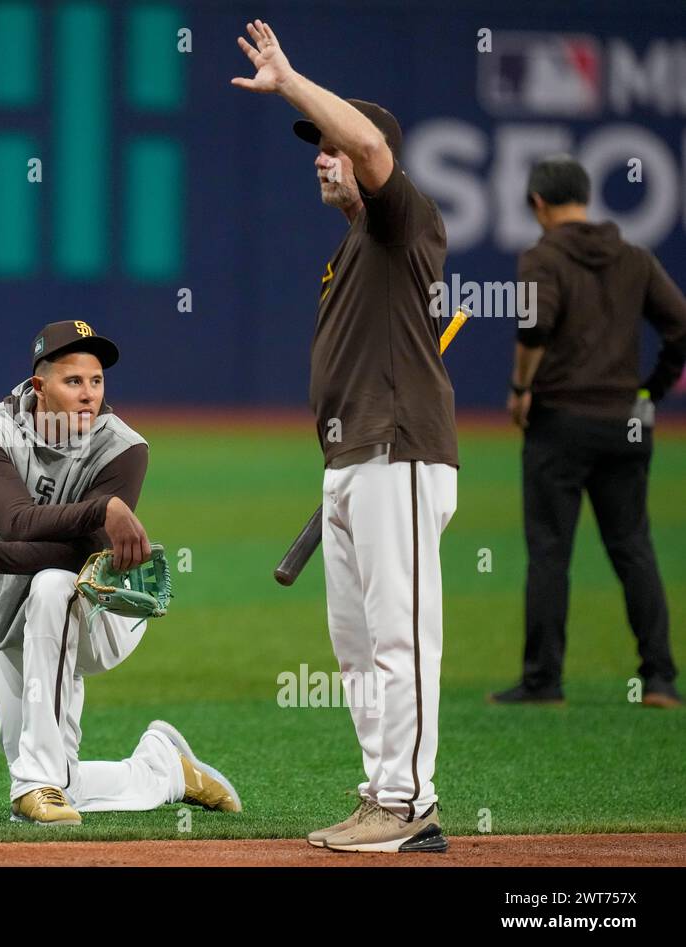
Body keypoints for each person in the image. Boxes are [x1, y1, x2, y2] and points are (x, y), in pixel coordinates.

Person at [233, 20, 456, 852]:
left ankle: (411, 806)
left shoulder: (401, 218)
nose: (320, 157)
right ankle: (379, 794)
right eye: (313, 147)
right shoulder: (351, 247)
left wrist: (291, 81)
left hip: (400, 453)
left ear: (368, 159)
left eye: (328, 146)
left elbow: (364, 140)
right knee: (357, 650)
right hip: (349, 460)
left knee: (401, 638)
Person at [0, 320, 241, 826]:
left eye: (96, 381)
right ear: (39, 388)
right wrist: (102, 509)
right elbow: (17, 523)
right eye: (73, 382)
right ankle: (165, 770)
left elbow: (76, 559)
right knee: (54, 780)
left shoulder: (124, 448)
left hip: (105, 609)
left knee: (53, 586)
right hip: (10, 615)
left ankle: (39, 782)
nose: (89, 394)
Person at [491, 155, 686, 709]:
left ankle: (543, 681)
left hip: (561, 421)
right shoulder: (633, 257)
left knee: (551, 551)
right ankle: (660, 679)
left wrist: (520, 387)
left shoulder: (542, 257)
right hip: (626, 421)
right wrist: (652, 390)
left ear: (538, 204)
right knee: (633, 546)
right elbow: (681, 329)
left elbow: (534, 325)